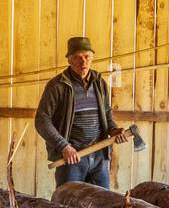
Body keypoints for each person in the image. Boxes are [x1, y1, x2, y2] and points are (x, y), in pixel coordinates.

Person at [34, 36, 130, 189]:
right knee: (68, 206)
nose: (83, 62)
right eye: (77, 58)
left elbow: (106, 112)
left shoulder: (99, 82)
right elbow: (41, 120)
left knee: (102, 205)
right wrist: (64, 146)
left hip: (99, 155)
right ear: (69, 60)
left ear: (92, 58)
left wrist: (113, 130)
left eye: (87, 57)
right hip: (72, 158)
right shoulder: (57, 86)